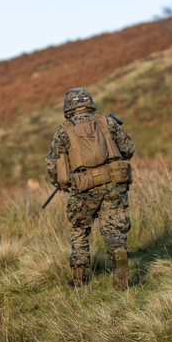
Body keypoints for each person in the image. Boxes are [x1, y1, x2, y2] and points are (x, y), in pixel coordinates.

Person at [46, 87, 135, 289]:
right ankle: (118, 250)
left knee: (80, 229)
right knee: (113, 225)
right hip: (115, 180)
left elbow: (53, 166)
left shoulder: (63, 131)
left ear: (68, 107)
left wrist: (63, 184)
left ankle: (79, 280)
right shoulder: (107, 122)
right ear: (90, 102)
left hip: (84, 187)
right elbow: (129, 149)